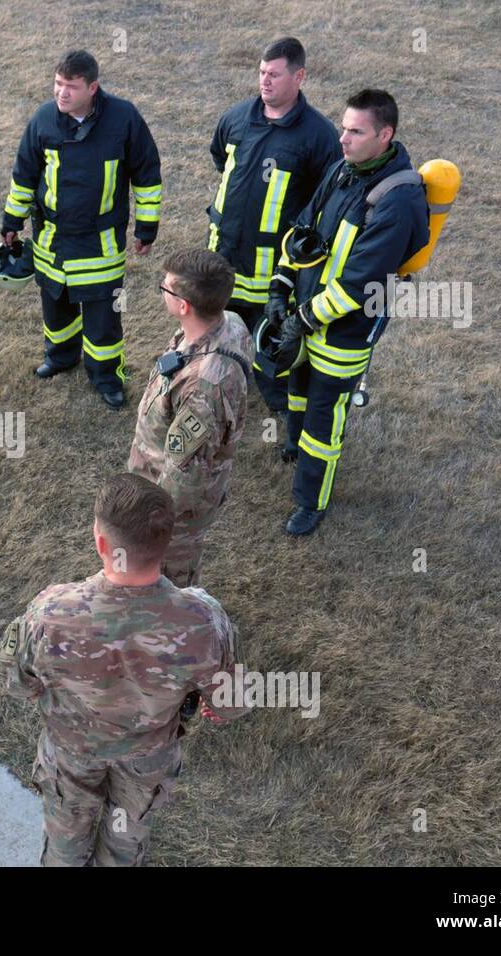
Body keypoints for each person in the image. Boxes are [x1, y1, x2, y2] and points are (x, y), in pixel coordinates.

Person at [0, 472, 250, 866]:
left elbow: (19, 682)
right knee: (123, 839)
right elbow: (231, 704)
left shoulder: (50, 613)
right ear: (163, 546)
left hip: (72, 754)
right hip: (146, 759)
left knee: (66, 837)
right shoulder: (203, 622)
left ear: (101, 543)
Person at [266, 88, 429, 535]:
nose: (343, 138)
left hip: (347, 329)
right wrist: (281, 286)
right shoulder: (343, 169)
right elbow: (303, 226)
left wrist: (302, 320)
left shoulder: (398, 199)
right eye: (343, 127)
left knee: (324, 413)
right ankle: (293, 446)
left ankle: (310, 503)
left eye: (356, 131)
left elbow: (358, 283)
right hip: (307, 308)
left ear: (385, 135)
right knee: (298, 382)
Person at [0, 49, 162, 409]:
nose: (61, 93)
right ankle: (60, 357)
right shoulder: (43, 119)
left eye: (71, 87)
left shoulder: (124, 118)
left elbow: (147, 174)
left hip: (100, 241)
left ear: (93, 87)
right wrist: (12, 220)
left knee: (103, 317)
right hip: (51, 240)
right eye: (58, 84)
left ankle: (107, 377)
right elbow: (24, 175)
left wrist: (146, 227)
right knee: (55, 305)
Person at [206, 36, 340, 412]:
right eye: (262, 72)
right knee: (218, 332)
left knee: (271, 339)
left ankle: (281, 405)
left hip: (274, 271)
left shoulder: (318, 136)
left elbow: (325, 199)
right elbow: (220, 158)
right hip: (225, 257)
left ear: (299, 77)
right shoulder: (235, 118)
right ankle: (218, 389)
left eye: (275, 75)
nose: (265, 81)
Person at [128, 249, 252, 588]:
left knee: (166, 575)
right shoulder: (232, 324)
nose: (161, 291)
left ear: (184, 305)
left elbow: (184, 475)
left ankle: (176, 628)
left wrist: (155, 521)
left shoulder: (202, 388)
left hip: (170, 509)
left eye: (165, 288)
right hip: (164, 483)